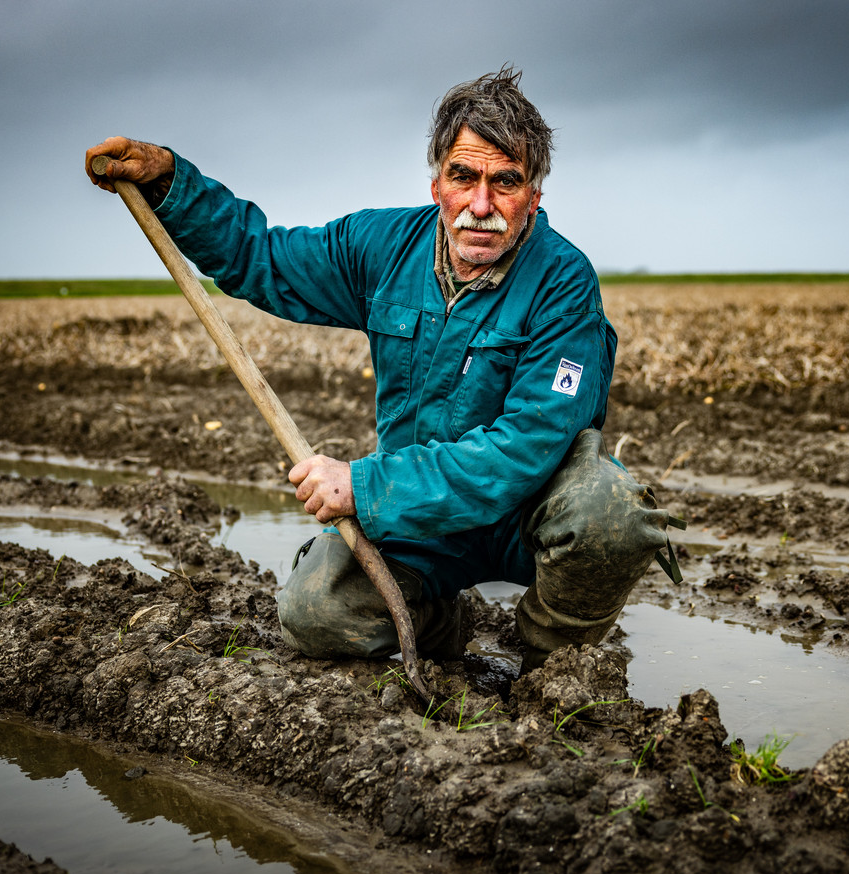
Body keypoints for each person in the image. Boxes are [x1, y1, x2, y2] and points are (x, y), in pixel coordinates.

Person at [86, 66, 680, 669]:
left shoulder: (564, 286)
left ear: (534, 195)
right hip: (417, 516)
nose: (482, 204)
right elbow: (260, 255)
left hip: (522, 513)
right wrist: (170, 185)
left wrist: (363, 486)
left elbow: (526, 448)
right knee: (314, 612)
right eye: (463, 176)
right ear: (436, 185)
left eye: (505, 182)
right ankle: (437, 621)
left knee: (612, 513)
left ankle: (539, 663)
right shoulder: (382, 245)